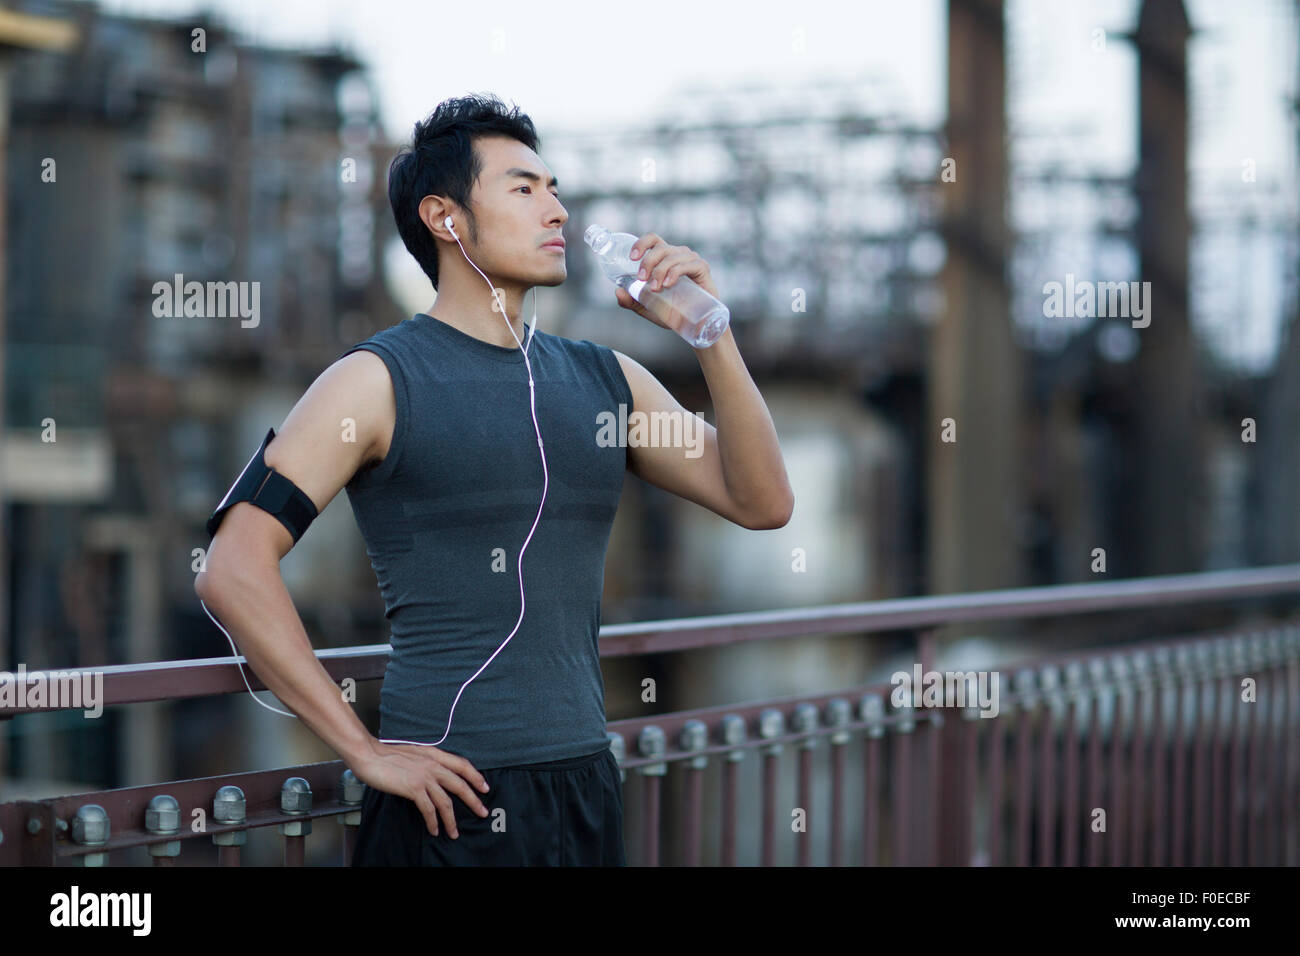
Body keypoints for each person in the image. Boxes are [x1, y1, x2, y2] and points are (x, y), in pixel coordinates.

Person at [195, 93, 794, 866]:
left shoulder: (609, 380)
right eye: (523, 188)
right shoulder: (374, 380)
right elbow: (231, 569)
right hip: (450, 805)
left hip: (583, 786)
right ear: (445, 219)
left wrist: (712, 333)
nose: (558, 211)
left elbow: (764, 501)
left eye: (553, 188)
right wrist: (363, 751)